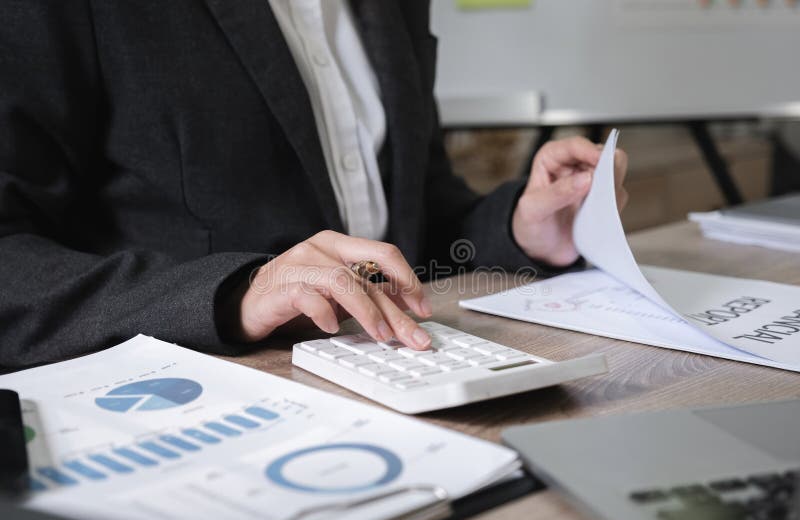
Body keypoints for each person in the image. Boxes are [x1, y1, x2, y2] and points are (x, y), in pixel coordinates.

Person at [0, 1, 627, 368]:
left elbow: (410, 225)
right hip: (192, 405)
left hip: (400, 377)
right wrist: (232, 294)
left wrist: (523, 228)